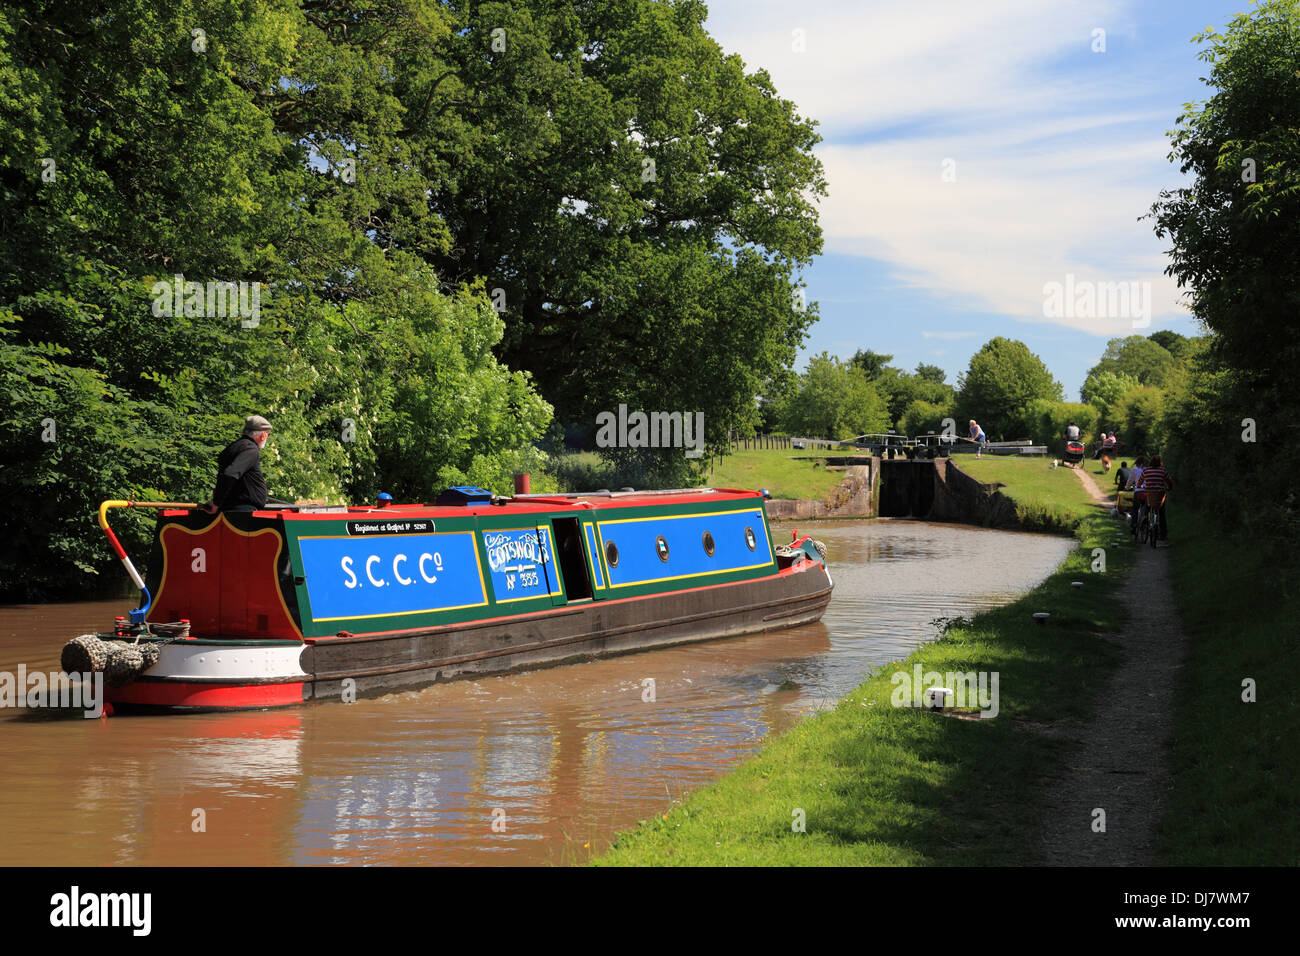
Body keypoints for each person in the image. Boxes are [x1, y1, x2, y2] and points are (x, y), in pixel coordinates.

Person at [203, 415, 272, 514]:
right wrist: (216, 503)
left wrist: (218, 499)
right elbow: (230, 474)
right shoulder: (251, 450)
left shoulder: (232, 447)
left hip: (231, 506)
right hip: (242, 511)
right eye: (268, 435)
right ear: (263, 435)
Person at [1136, 454, 1172, 540]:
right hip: (1160, 495)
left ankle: (1145, 520)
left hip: (1149, 494)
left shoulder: (1146, 471)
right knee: (1162, 513)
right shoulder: (1163, 471)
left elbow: (1139, 483)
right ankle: (1163, 534)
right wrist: (1169, 488)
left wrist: (1141, 486)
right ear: (1160, 463)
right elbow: (1169, 481)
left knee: (1147, 506)